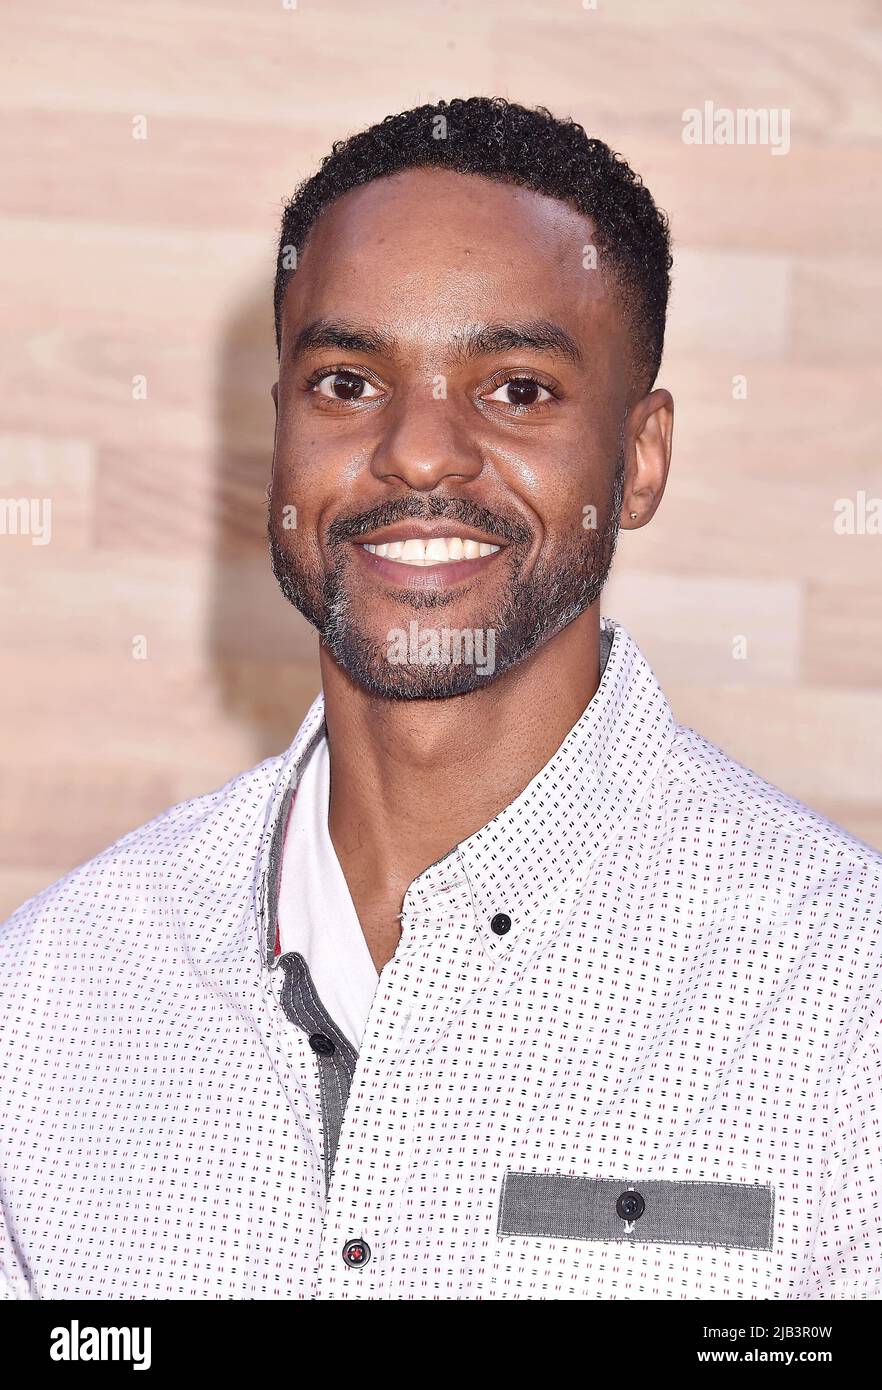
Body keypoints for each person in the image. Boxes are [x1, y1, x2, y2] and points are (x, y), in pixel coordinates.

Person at [1, 97, 880, 1301]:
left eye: (516, 388)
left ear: (640, 458)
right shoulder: (52, 994)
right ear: (280, 443)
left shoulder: (844, 1000)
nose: (419, 453)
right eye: (349, 381)